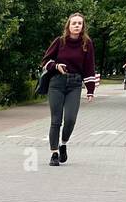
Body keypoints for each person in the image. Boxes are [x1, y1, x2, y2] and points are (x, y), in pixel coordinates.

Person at [39, 13, 97, 167]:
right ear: (68, 26)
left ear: (83, 26)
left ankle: (63, 144)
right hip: (56, 83)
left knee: (70, 119)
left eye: (80, 23)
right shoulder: (60, 41)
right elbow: (45, 61)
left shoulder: (87, 43)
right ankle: (54, 153)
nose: (77, 26)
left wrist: (90, 90)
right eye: (74, 23)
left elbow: (89, 67)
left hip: (75, 84)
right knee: (56, 120)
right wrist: (56, 66)